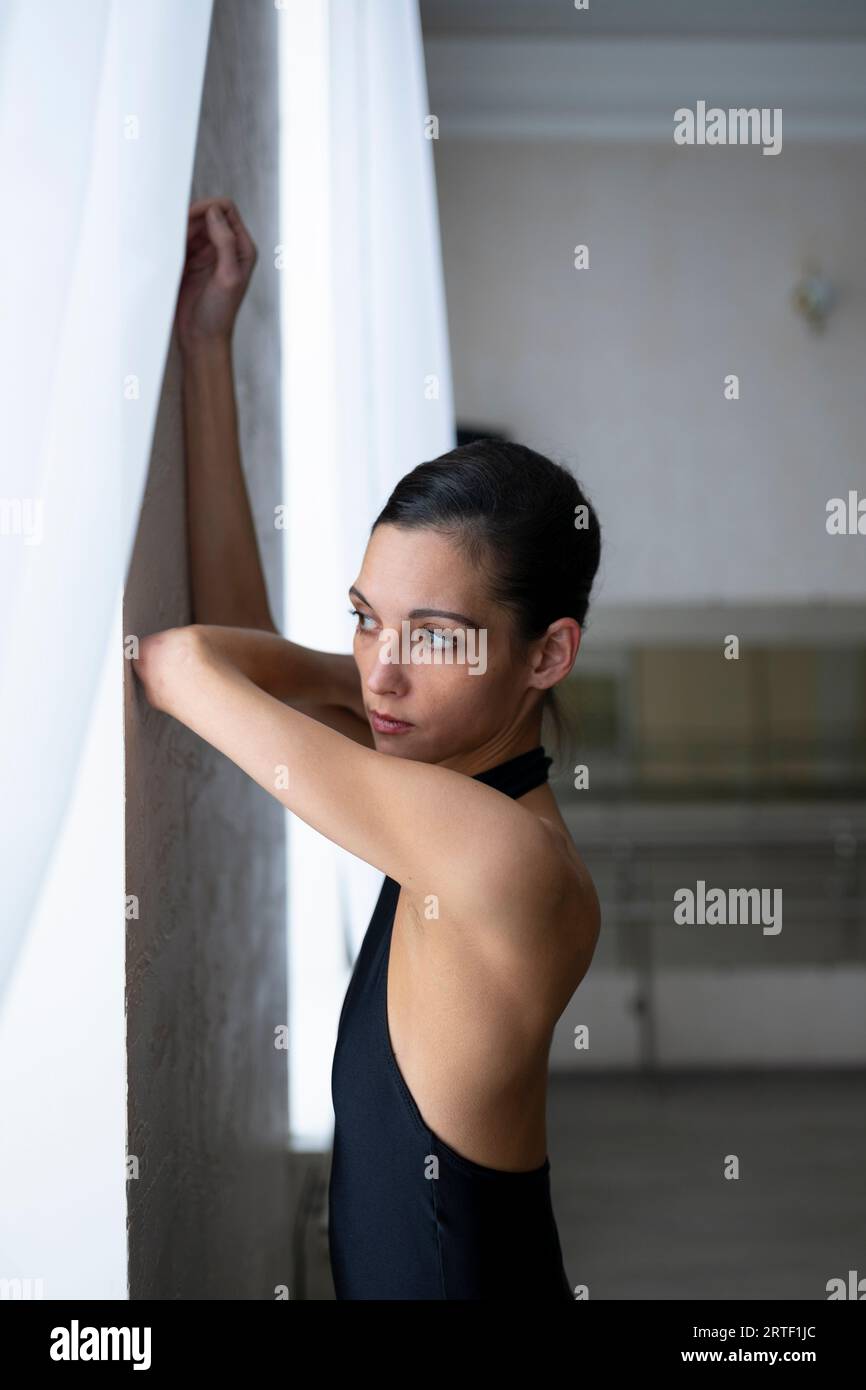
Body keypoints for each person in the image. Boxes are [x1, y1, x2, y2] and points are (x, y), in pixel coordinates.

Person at [134, 197, 602, 1300]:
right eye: (364, 616)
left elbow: (184, 662)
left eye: (436, 635)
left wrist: (335, 671)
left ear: (547, 655)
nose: (384, 671)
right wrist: (207, 347)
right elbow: (243, 652)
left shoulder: (500, 861)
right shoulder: (443, 779)